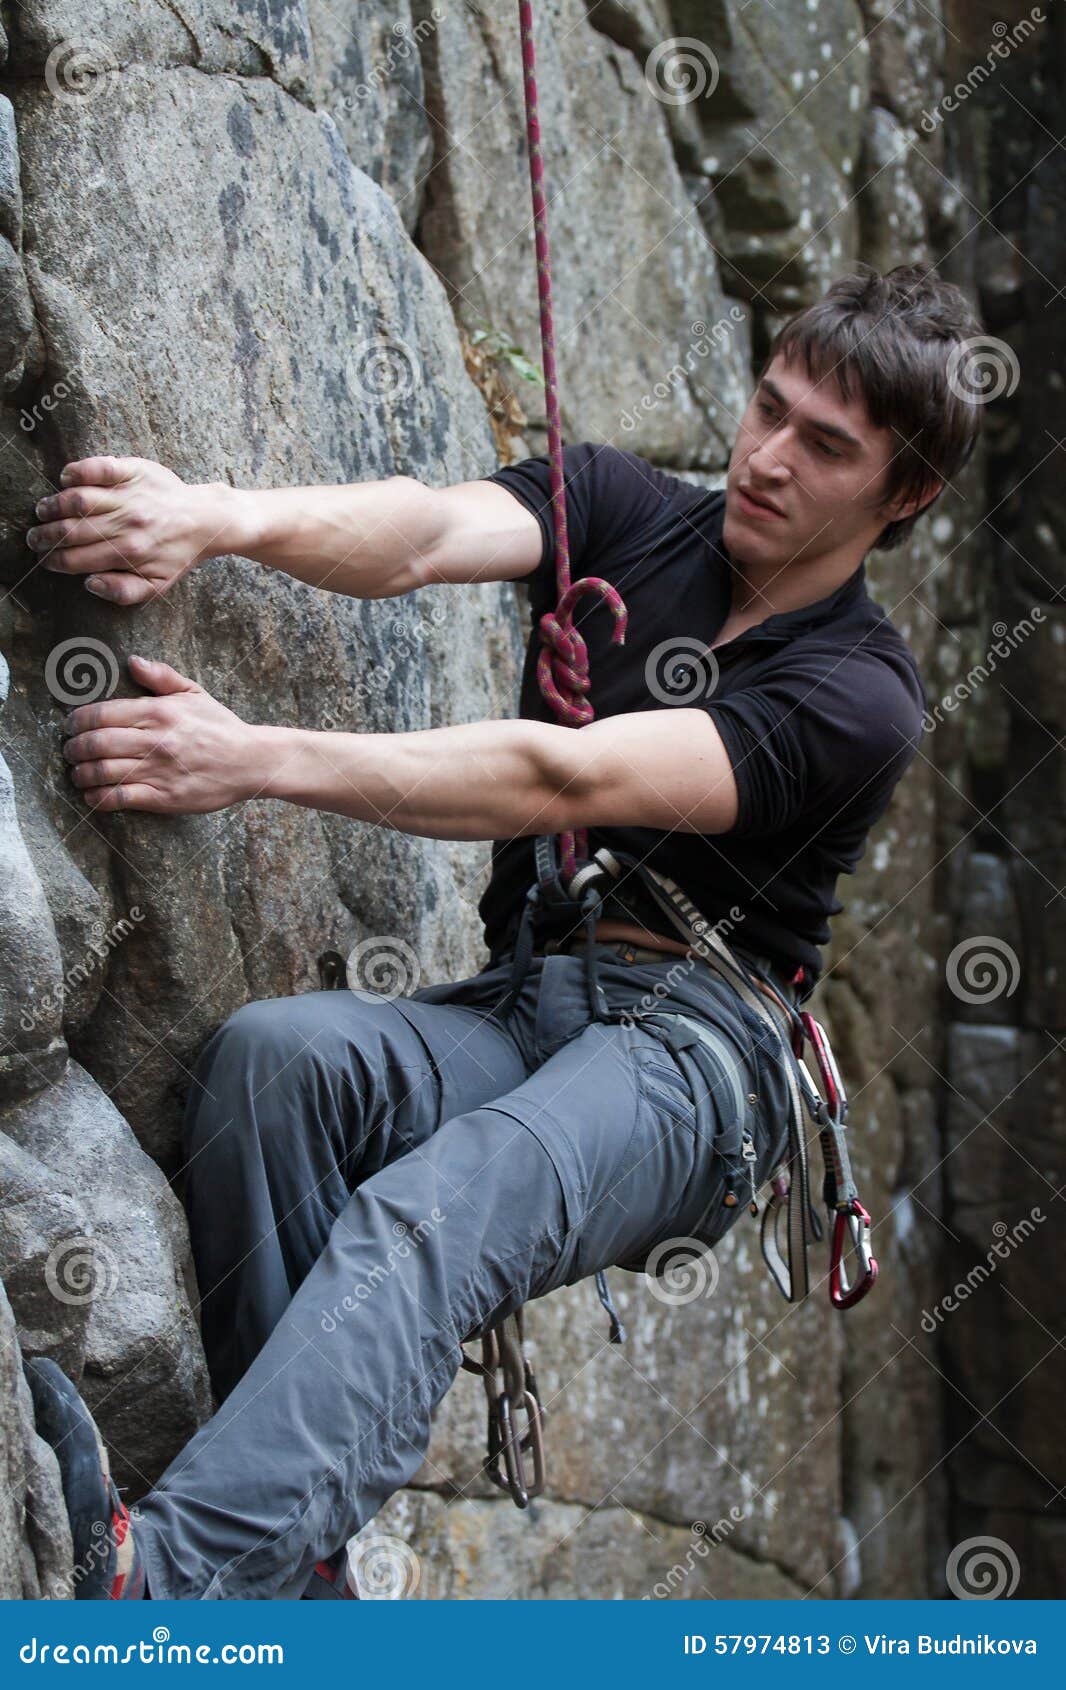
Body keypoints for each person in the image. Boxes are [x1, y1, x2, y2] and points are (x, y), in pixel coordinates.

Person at [22, 264, 983, 1599]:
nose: (765, 458)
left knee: (437, 1210)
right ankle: (291, 1584)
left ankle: (160, 1585)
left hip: (695, 1062)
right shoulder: (637, 512)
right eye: (768, 406)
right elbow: (416, 532)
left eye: (825, 447)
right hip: (537, 1000)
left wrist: (252, 756)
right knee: (273, 1065)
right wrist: (211, 517)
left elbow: (566, 778)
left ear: (905, 493)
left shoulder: (858, 695)